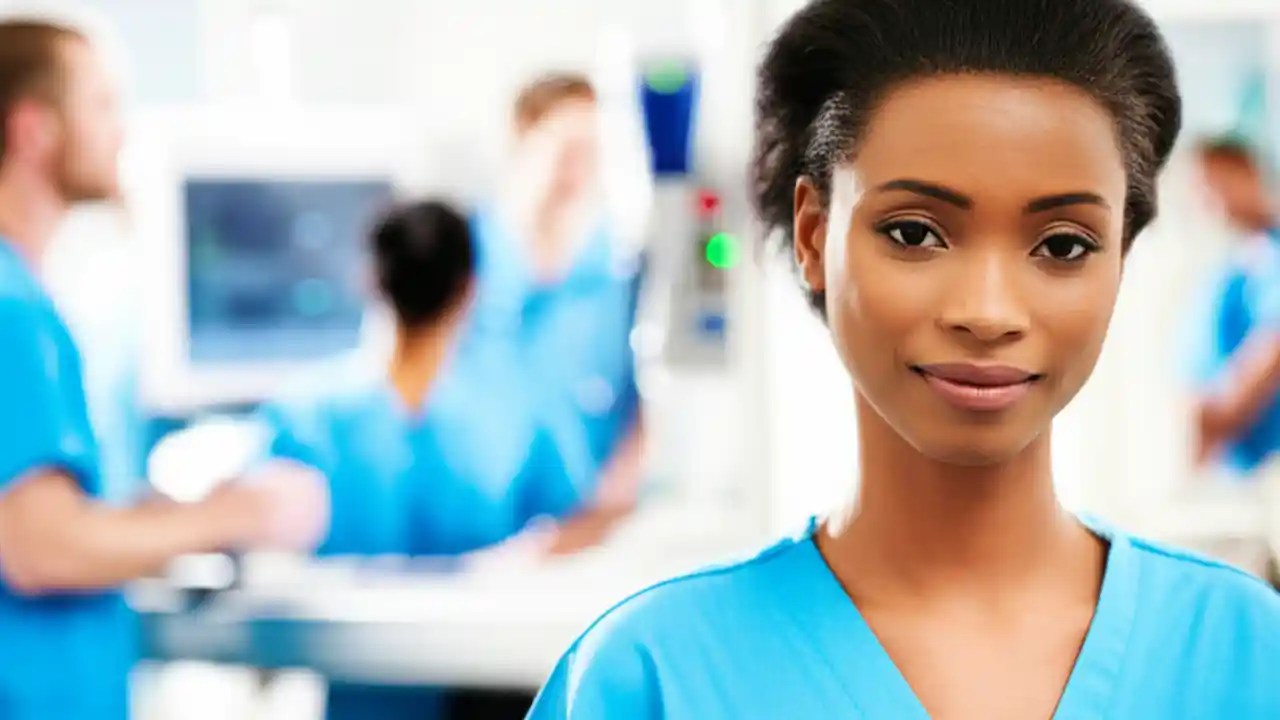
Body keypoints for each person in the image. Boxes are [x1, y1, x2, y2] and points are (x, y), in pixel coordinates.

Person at [526, 1, 1280, 718]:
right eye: (916, 233)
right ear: (815, 238)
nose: (987, 312)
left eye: (1062, 245)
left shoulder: (1250, 654)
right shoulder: (651, 678)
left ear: (1121, 257)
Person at [0, 19, 322, 720]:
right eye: (101, 105)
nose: (122, 130)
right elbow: (36, 545)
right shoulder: (12, 307)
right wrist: (239, 513)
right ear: (33, 129)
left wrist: (166, 516)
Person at [257, 200, 586, 720]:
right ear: (470, 290)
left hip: (359, 701)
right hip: (485, 692)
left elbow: (262, 541)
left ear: (369, 279)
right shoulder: (514, 411)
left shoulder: (306, 414)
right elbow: (576, 519)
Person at [469, 74, 644, 555]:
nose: (579, 168)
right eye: (567, 148)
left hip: (579, 541)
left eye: (593, 150)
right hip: (459, 535)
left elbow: (644, 405)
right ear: (522, 140)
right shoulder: (466, 253)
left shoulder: (616, 267)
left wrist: (600, 518)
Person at [1189, 137, 1280, 473]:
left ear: (1248, 174)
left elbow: (1272, 348)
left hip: (1261, 463)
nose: (1206, 200)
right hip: (1231, 464)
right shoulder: (1237, 262)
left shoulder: (1272, 256)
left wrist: (1216, 420)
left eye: (1213, 184)